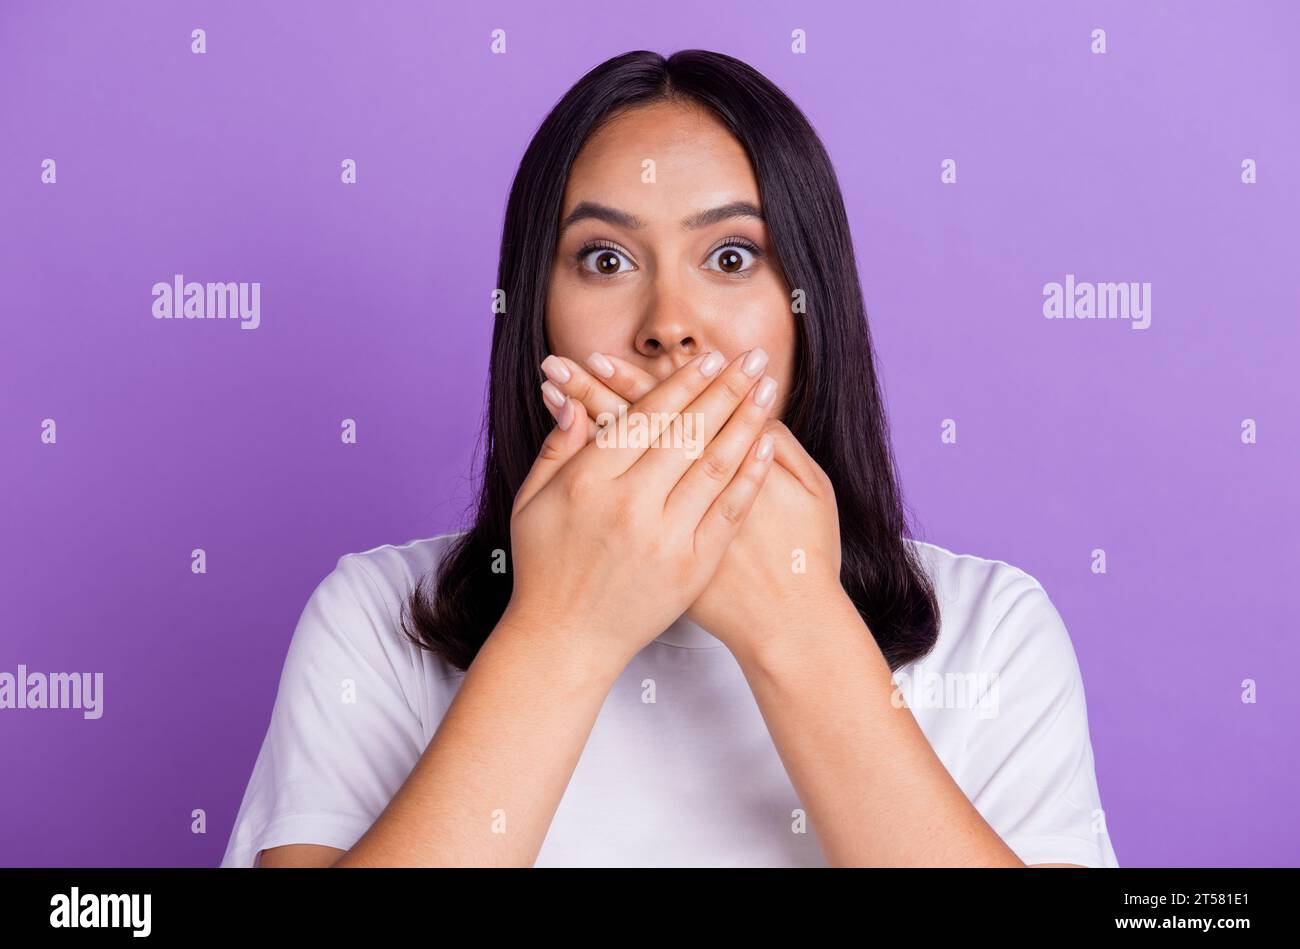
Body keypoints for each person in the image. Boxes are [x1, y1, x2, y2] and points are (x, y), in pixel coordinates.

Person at [221, 49, 1118, 868]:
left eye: (731, 255)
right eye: (605, 259)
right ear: (536, 316)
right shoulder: (380, 622)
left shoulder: (990, 631)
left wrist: (800, 628)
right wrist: (561, 630)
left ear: (809, 312)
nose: (668, 324)